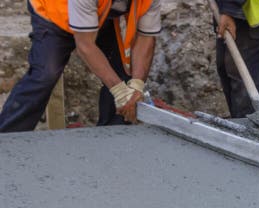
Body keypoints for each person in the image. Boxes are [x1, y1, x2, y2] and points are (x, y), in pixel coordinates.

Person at [0, 0, 161, 132]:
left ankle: (115, 136)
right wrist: (119, 91)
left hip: (99, 12)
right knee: (44, 75)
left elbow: (145, 37)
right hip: (55, 12)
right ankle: (8, 139)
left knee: (123, 74)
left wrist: (137, 85)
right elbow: (85, 45)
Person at [215, 0, 259, 118]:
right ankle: (241, 122)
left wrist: (230, 9)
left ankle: (250, 126)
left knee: (242, 77)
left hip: (248, 10)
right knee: (224, 67)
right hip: (227, 8)